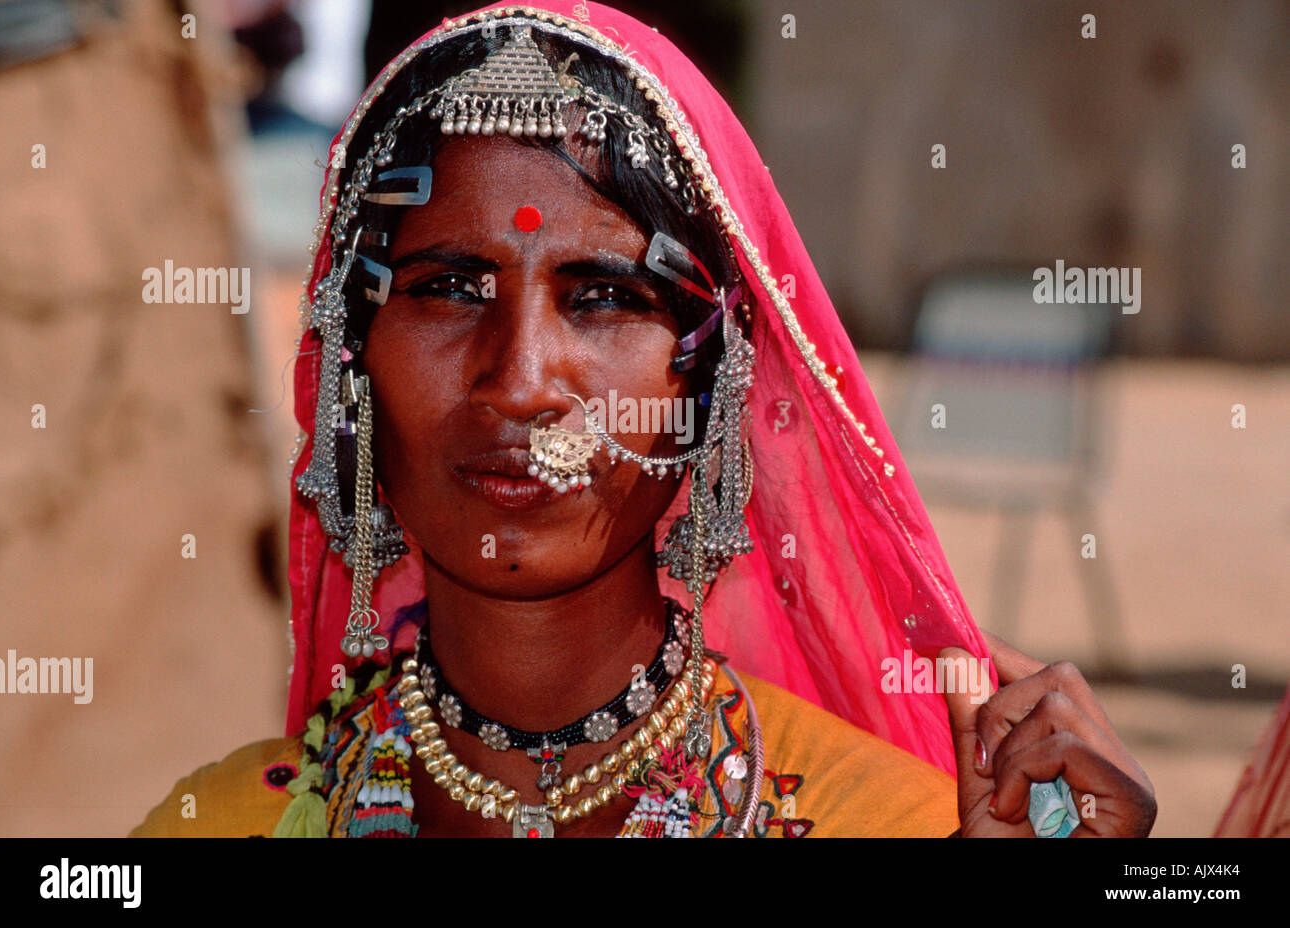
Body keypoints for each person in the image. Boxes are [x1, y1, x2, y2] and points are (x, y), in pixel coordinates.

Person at [132, 1, 1155, 838]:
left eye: (604, 296)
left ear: (711, 378)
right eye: (447, 286)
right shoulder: (216, 825)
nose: (522, 380)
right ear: (352, 362)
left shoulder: (895, 825)